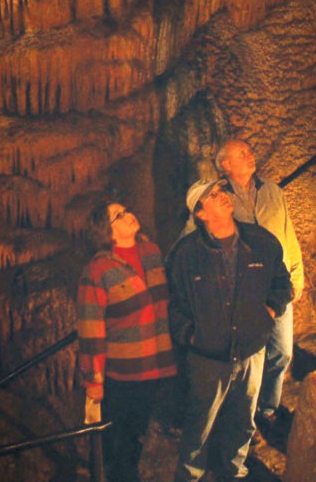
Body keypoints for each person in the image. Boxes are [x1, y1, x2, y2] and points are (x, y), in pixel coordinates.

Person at [168, 180, 293, 482]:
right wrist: (192, 335)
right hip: (207, 359)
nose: (222, 196)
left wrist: (268, 313)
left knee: (243, 422)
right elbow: (173, 303)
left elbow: (281, 283)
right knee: (200, 426)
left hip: (251, 351)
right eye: (212, 196)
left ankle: (234, 473)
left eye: (221, 191)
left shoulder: (261, 241)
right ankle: (190, 477)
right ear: (200, 213)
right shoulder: (186, 255)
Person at [77, 200, 177, 482]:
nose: (129, 215)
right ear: (106, 231)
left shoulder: (151, 252)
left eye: (126, 210)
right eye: (119, 215)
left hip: (155, 363)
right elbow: (91, 327)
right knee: (116, 440)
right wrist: (94, 380)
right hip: (121, 371)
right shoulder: (98, 270)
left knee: (137, 433)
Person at [214, 139, 304, 428]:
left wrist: (297, 275)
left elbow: (288, 233)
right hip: (245, 290)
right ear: (225, 164)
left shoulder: (272, 190)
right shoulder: (218, 197)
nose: (250, 155)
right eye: (241, 154)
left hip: (278, 284)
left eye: (249, 151)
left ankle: (267, 407)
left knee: (283, 351)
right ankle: (243, 415)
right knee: (250, 356)